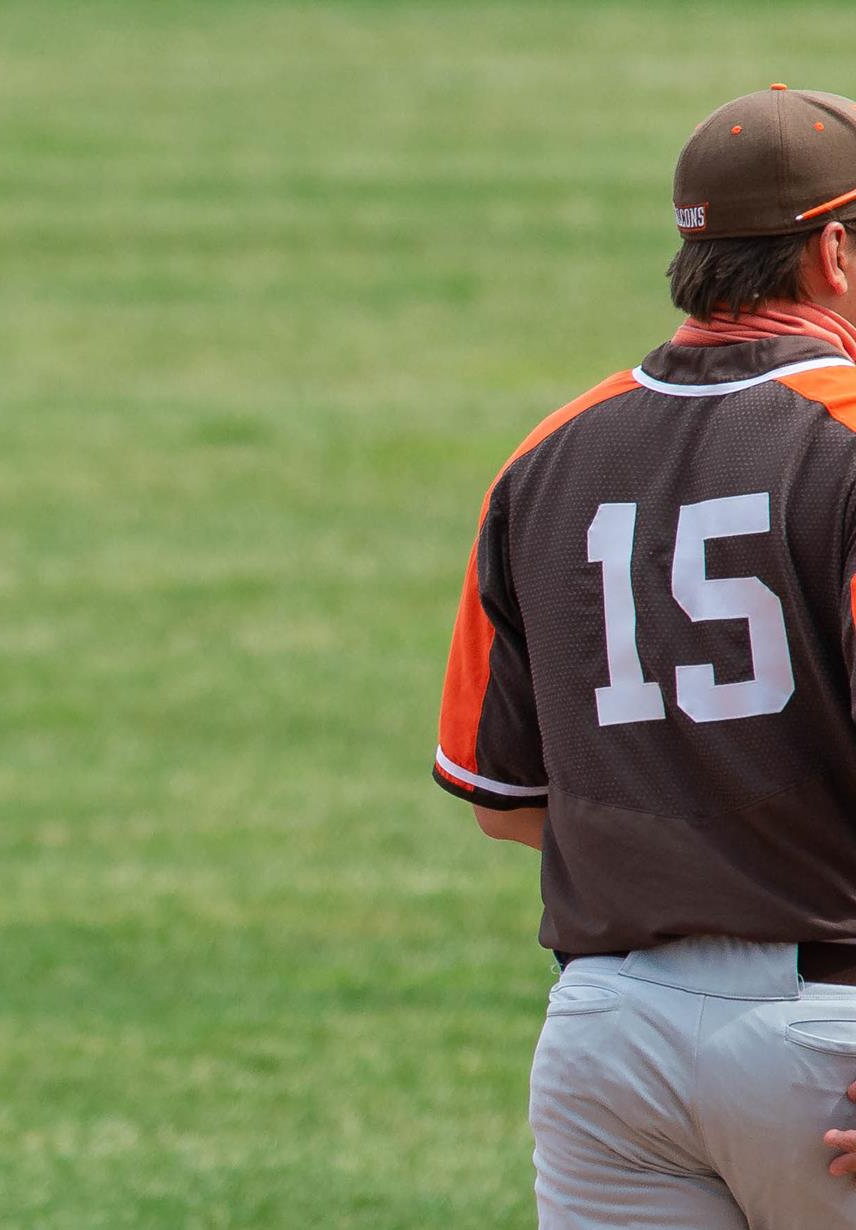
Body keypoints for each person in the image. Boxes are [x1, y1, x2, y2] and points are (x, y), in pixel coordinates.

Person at [432, 84, 856, 1227]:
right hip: (831, 1039)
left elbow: (504, 798)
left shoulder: (545, 454)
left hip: (610, 1044)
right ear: (833, 253)